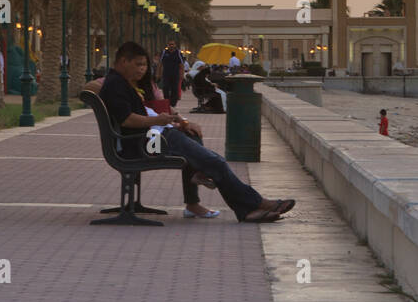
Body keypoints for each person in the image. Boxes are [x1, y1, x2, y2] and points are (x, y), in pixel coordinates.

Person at [100, 41, 294, 222]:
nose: (142, 69)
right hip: (144, 143)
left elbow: (150, 108)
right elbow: (127, 119)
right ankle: (253, 205)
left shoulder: (125, 83)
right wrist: (158, 120)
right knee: (214, 162)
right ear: (123, 61)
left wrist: (180, 121)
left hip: (151, 137)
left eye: (144, 65)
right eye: (138, 64)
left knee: (193, 135)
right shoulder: (116, 84)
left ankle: (204, 178)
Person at [159, 39, 184, 108]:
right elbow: (160, 64)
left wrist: (182, 74)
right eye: (170, 44)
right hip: (166, 74)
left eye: (172, 44)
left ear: (175, 45)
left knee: (174, 89)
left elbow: (181, 65)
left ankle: (173, 103)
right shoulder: (164, 52)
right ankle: (166, 102)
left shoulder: (178, 53)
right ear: (168, 45)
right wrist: (158, 73)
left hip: (175, 74)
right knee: (165, 88)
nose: (171, 46)